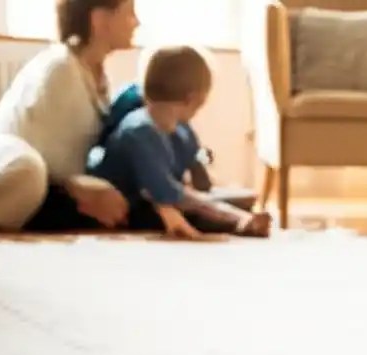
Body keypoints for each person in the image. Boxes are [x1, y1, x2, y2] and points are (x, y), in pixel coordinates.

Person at [0, 0, 140, 235]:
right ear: (99, 19)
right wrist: (76, 186)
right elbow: (44, 155)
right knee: (29, 172)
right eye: (129, 13)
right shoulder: (61, 67)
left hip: (50, 185)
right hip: (3, 169)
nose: (137, 23)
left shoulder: (98, 75)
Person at [87, 46, 271, 238]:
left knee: (241, 199)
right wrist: (235, 216)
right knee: (195, 212)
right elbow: (165, 193)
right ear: (195, 98)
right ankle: (240, 221)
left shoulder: (181, 130)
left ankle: (237, 218)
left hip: (164, 195)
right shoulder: (140, 130)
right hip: (137, 206)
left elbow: (198, 180)